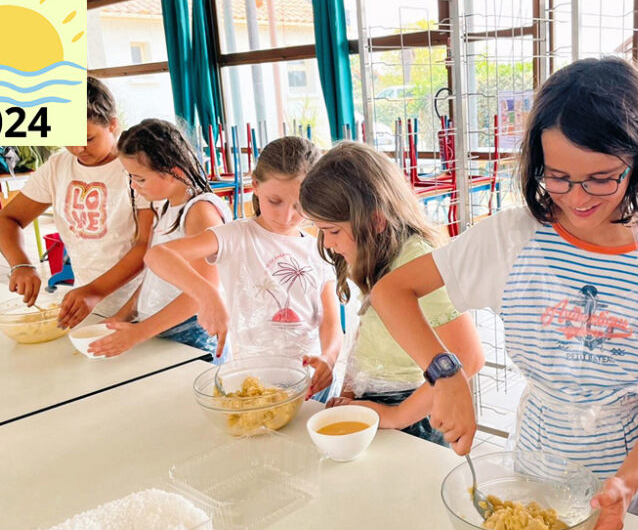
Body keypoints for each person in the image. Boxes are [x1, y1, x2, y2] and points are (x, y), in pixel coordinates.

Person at [369, 58, 638, 530]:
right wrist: (445, 374)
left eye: (601, 178)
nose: (578, 198)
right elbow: (391, 292)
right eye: (558, 177)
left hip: (630, 487)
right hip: (538, 469)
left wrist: (624, 485)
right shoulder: (512, 239)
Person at [299, 141, 485, 447]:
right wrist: (349, 391)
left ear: (375, 220)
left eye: (333, 231)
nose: (328, 243)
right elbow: (369, 331)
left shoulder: (416, 260)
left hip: (414, 412)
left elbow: (469, 356)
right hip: (374, 400)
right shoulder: (376, 253)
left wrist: (396, 416)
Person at [144, 136, 340, 398]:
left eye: (299, 205)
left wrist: (329, 357)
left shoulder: (320, 248)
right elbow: (157, 256)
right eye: (275, 201)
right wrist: (207, 294)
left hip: (312, 384)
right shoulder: (234, 236)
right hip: (255, 385)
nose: (286, 216)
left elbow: (330, 321)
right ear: (255, 186)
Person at [0, 76, 154, 328]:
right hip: (88, 307)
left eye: (88, 138)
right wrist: (20, 264)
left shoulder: (136, 167)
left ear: (113, 125)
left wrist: (95, 291)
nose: (78, 148)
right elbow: (7, 220)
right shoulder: (58, 166)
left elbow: (147, 246)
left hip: (141, 306)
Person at [86, 119, 228, 357]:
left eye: (140, 179)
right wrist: (120, 318)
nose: (134, 186)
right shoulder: (169, 206)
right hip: (165, 335)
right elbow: (155, 278)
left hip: (193, 339)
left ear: (174, 172)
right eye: (131, 177)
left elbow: (202, 294)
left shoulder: (200, 212)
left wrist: (139, 333)